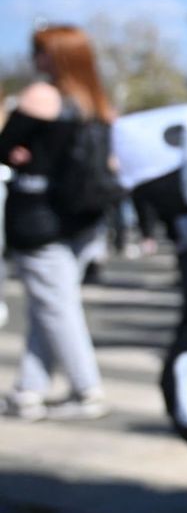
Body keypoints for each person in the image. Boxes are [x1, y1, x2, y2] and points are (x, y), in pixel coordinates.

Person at [1, 25, 115, 421]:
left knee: (56, 308)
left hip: (40, 217)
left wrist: (18, 149)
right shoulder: (95, 104)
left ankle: (87, 389)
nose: (35, 58)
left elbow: (3, 146)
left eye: (40, 51)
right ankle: (29, 390)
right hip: (84, 219)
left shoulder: (42, 97)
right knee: (46, 307)